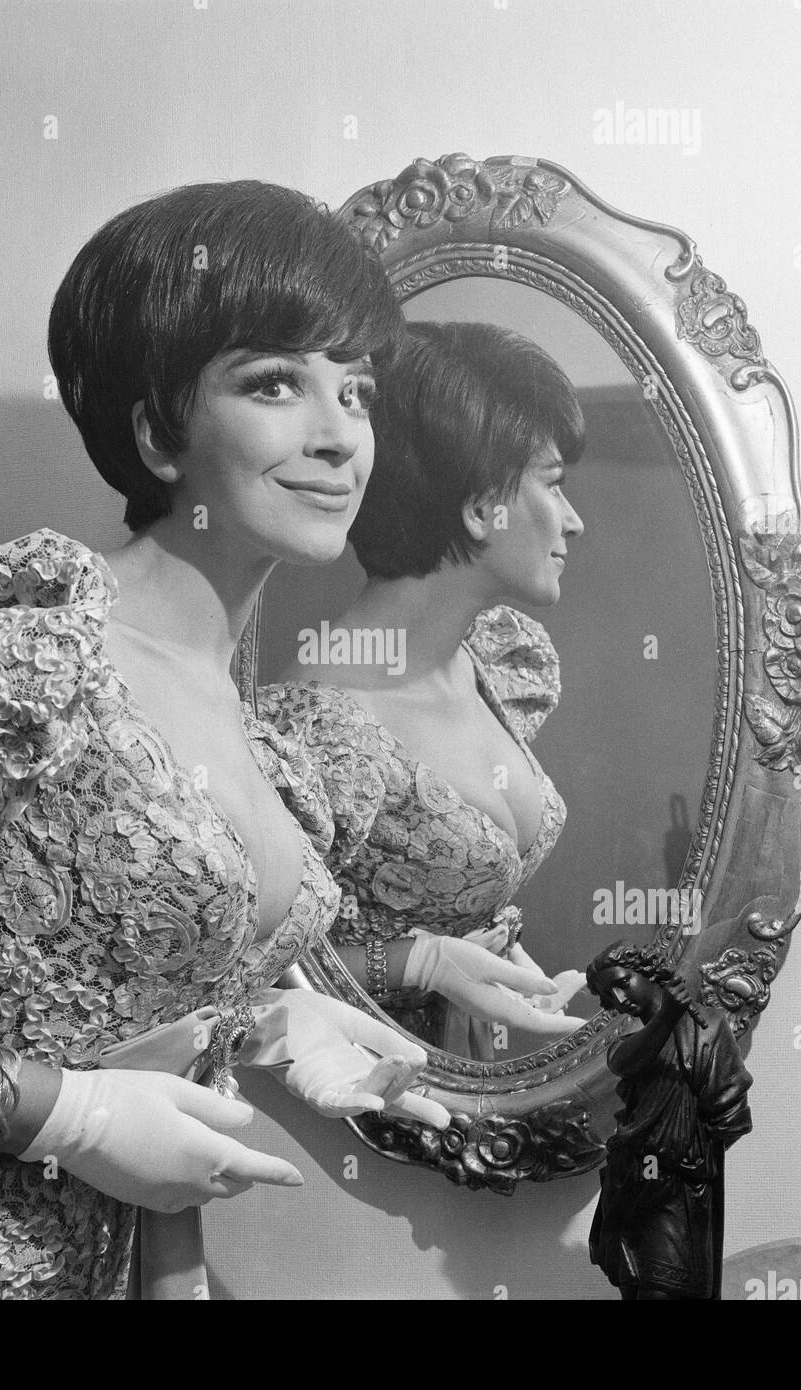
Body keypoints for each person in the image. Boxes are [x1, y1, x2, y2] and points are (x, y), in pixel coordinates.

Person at [0, 180, 449, 1301]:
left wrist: (264, 1022)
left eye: (356, 391)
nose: (340, 435)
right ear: (156, 430)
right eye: (274, 383)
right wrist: (69, 1113)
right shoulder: (16, 658)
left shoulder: (252, 731)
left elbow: (98, 988)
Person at [258, 321, 590, 1058]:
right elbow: (246, 976)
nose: (573, 521)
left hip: (472, 1076)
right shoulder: (317, 727)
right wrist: (415, 962)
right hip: (353, 1112)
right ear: (479, 507)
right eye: (555, 485)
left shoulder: (494, 661)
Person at [584, 940, 753, 1300]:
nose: (619, 999)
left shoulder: (709, 1029)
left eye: (623, 982)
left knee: (666, 1291)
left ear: (648, 974)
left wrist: (685, 1156)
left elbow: (730, 1118)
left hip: (681, 1188)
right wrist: (666, 1016)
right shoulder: (628, 1046)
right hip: (632, 1183)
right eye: (608, 995)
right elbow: (625, 1062)